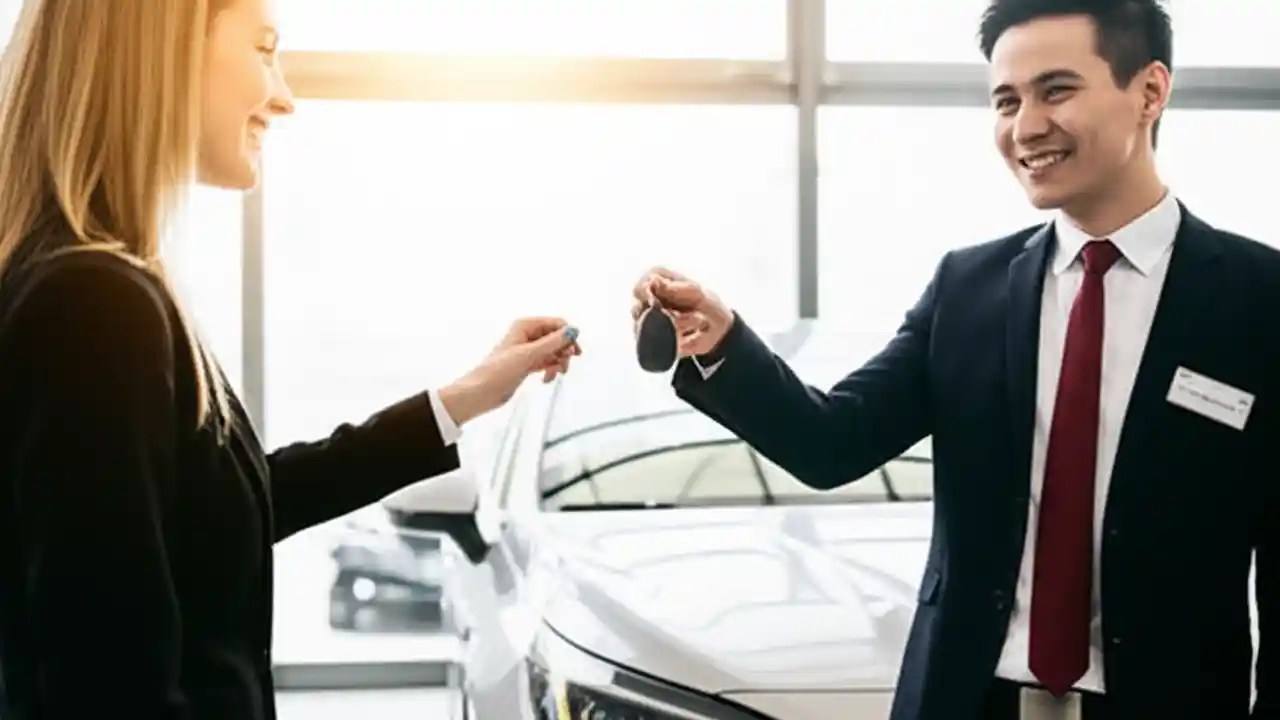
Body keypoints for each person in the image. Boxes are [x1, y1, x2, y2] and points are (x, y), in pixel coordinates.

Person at [632, 1, 1278, 718]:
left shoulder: (1259, 301)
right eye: (1006, 99)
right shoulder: (969, 291)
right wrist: (724, 344)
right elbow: (831, 443)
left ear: (1150, 91)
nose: (1026, 126)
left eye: (1056, 90)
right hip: (966, 702)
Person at [0, 1, 580, 718]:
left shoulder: (88, 285)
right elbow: (108, 693)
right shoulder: (94, 304)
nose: (285, 95)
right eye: (264, 49)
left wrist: (462, 398)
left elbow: (224, 512)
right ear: (166, 53)